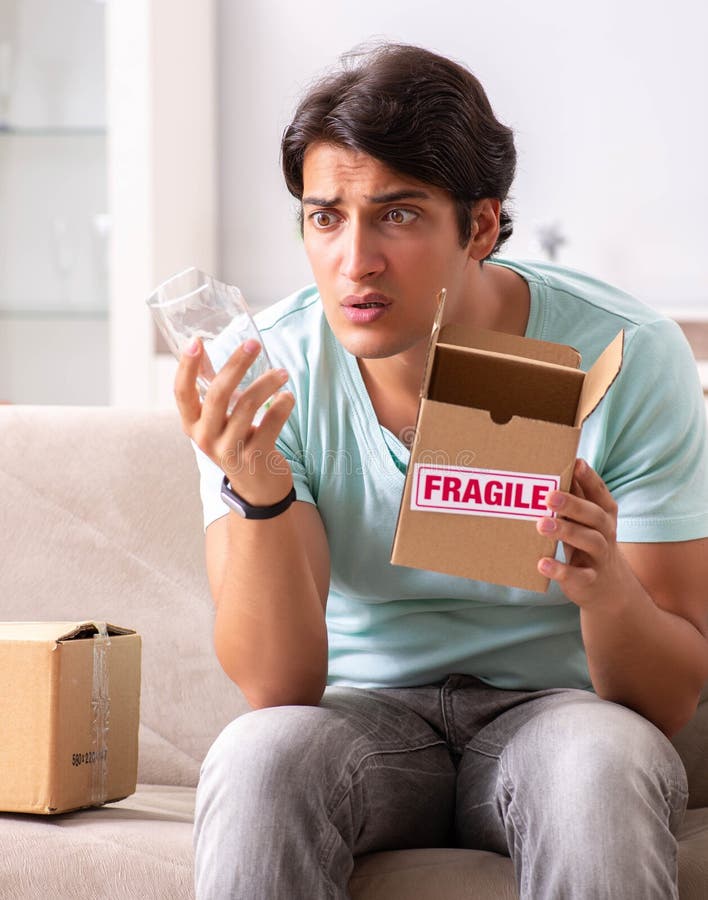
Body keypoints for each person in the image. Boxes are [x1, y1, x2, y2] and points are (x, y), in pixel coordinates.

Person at [176, 42, 708, 900]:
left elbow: (673, 697)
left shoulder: (626, 354)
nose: (356, 262)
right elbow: (277, 688)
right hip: (360, 714)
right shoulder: (266, 376)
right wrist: (259, 490)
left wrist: (606, 585)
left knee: (597, 769)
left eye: (398, 214)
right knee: (257, 756)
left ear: (483, 226)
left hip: (563, 709)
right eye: (325, 217)